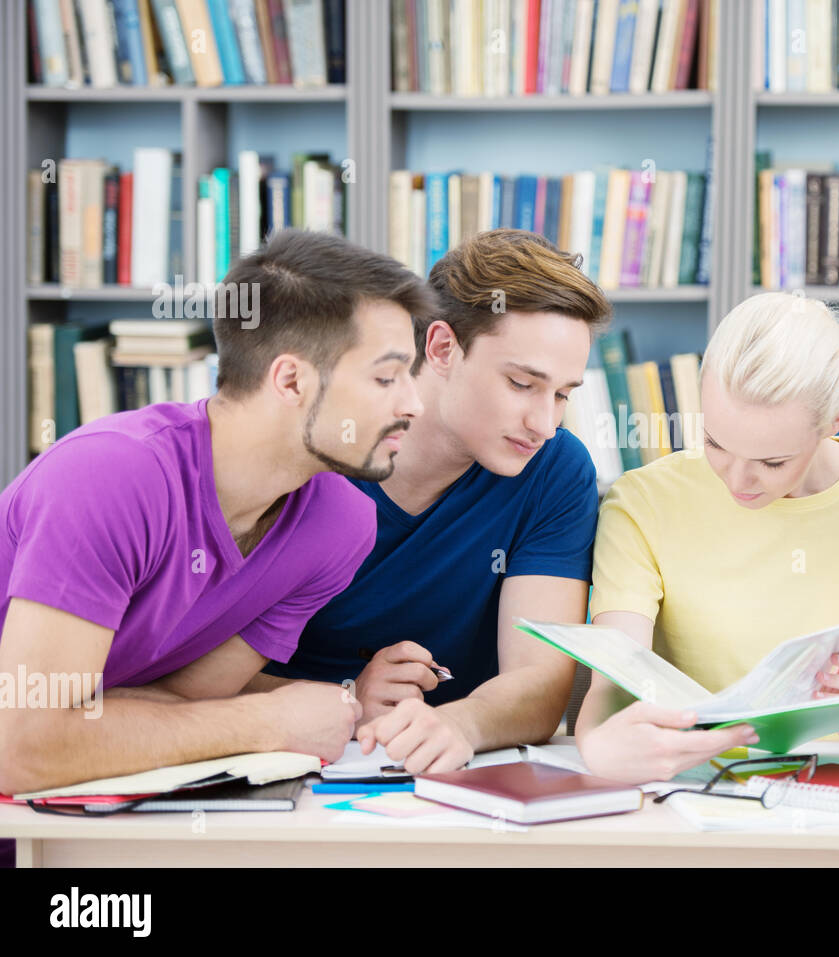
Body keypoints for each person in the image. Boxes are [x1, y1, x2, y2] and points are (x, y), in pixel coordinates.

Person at [0, 230, 433, 794]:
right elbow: (23, 745)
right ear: (291, 380)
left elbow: (185, 703)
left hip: (85, 808)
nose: (414, 405)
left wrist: (91, 727)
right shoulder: (109, 476)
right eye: (385, 378)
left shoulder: (340, 526)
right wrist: (271, 718)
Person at [263, 229, 612, 775]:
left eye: (564, 394)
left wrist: (460, 724)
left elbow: (540, 686)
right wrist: (348, 697)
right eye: (523, 383)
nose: (546, 422)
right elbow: (196, 682)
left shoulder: (555, 470)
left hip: (453, 777)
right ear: (443, 348)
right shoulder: (313, 456)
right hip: (290, 767)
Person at [574, 291, 839, 784]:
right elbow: (612, 686)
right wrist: (600, 743)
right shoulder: (643, 501)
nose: (737, 481)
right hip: (690, 790)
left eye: (773, 462)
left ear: (836, 418)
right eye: (715, 442)